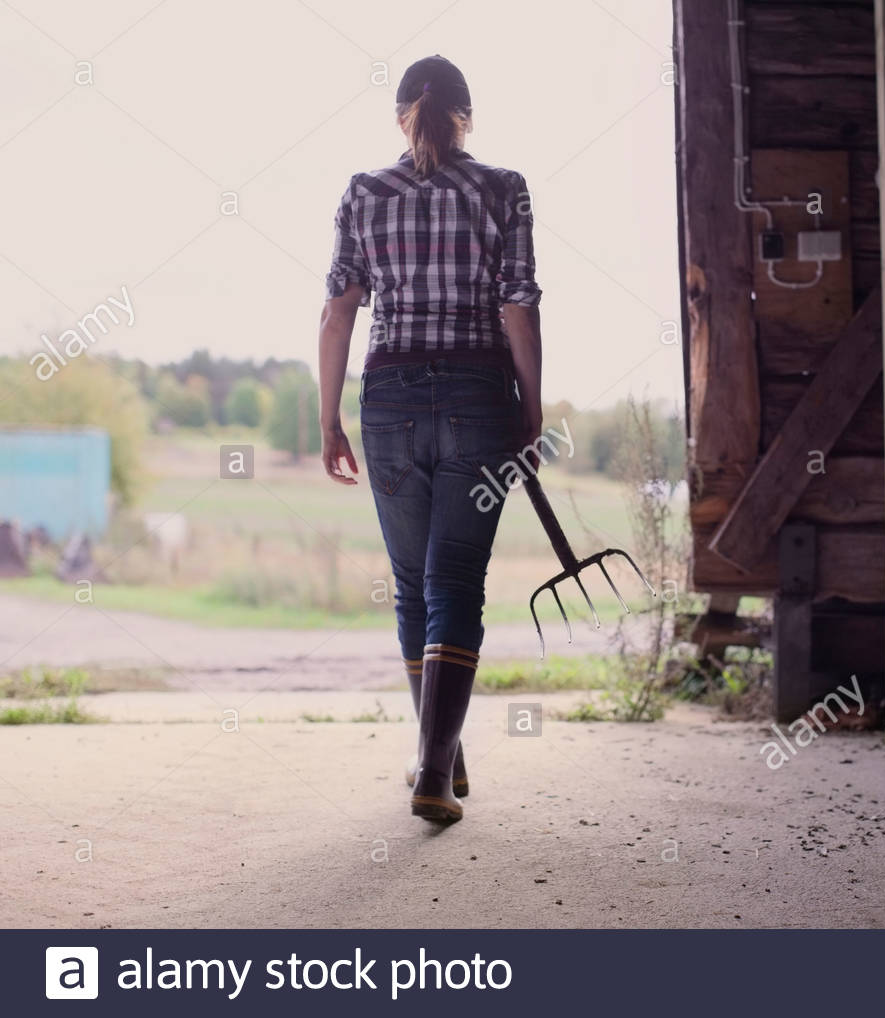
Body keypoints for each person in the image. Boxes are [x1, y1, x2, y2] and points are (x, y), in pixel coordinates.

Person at [316, 55, 543, 823]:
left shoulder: (363, 193)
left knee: (415, 587)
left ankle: (434, 756)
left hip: (389, 402)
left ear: (403, 116)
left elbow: (338, 311)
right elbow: (519, 306)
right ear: (466, 117)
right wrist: (532, 405)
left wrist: (329, 421)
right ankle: (435, 768)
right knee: (454, 585)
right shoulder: (503, 188)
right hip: (479, 397)